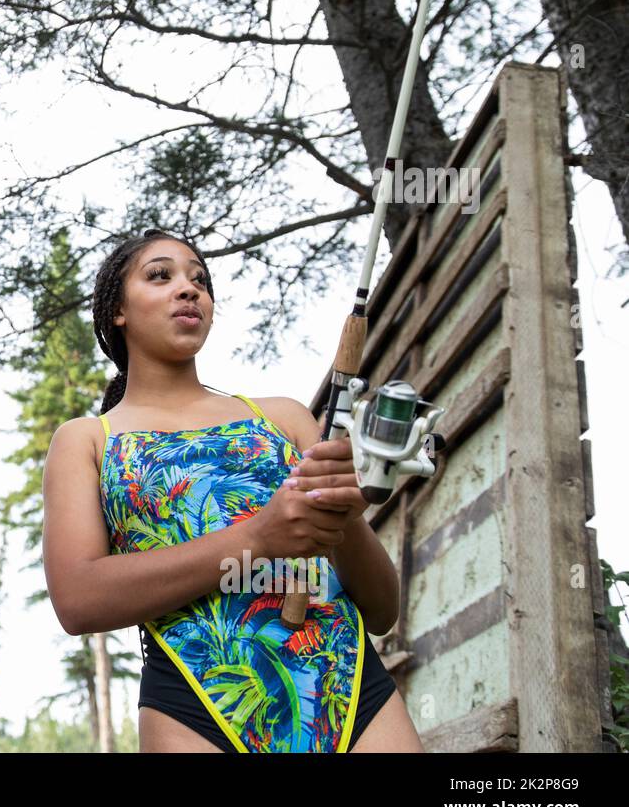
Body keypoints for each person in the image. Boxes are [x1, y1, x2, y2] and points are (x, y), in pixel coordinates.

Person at [42, 229, 423, 752]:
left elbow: (381, 611)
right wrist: (259, 537)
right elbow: (78, 600)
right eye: (161, 275)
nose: (189, 288)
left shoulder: (283, 418)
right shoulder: (88, 440)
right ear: (117, 311)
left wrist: (342, 519)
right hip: (196, 710)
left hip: (354, 691)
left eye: (200, 279)